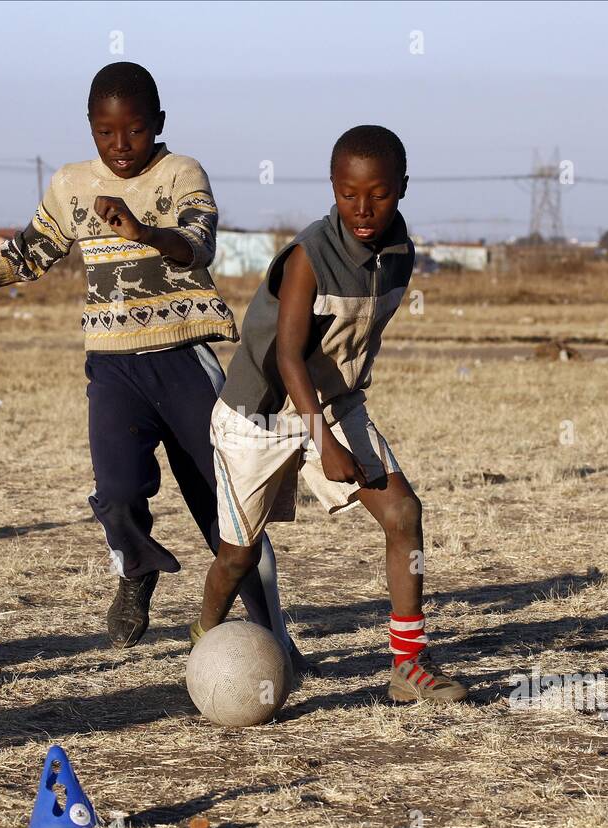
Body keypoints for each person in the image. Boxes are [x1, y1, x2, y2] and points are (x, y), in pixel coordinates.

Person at [0, 62, 309, 672]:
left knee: (228, 508)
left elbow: (197, 244)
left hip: (184, 361)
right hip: (114, 369)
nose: (121, 147)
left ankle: (274, 638)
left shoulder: (182, 174)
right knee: (116, 494)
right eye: (105, 133)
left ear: (159, 125)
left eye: (136, 131)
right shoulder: (71, 185)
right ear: (90, 129)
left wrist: (141, 228)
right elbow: (24, 257)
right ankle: (137, 567)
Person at [194, 125, 468, 703]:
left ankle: (409, 666)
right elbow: (289, 356)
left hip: (334, 406)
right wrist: (324, 442)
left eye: (379, 194)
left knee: (403, 514)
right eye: (348, 194)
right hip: (257, 415)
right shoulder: (308, 257)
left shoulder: (399, 256)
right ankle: (204, 640)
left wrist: (335, 423)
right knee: (238, 555)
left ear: (402, 189)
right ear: (332, 189)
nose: (363, 209)